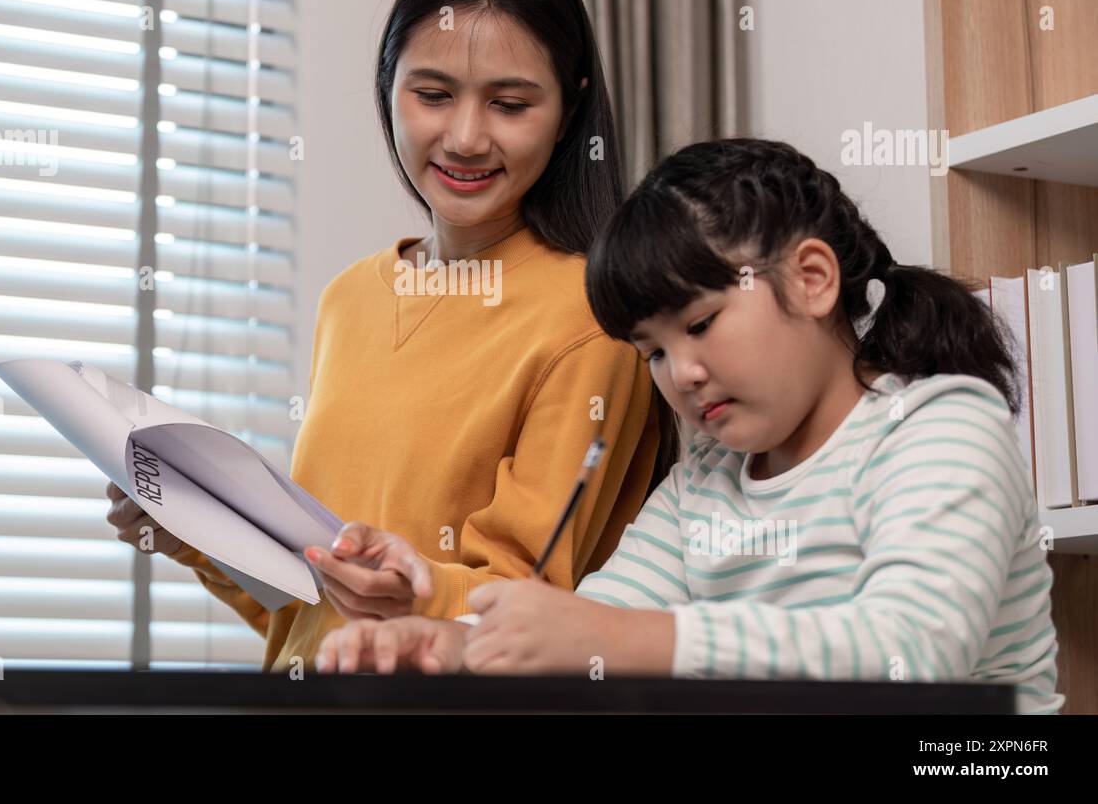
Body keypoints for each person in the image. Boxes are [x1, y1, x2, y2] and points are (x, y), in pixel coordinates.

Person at [315, 138, 1063, 715]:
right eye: (654, 354)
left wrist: (627, 642)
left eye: (701, 323)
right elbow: (597, 620)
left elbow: (910, 651)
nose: (683, 373)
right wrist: (447, 649)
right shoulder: (705, 481)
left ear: (811, 279)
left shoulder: (938, 426)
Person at [107, 0, 671, 670]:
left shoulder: (592, 318)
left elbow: (525, 602)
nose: (465, 138)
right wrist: (197, 532)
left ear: (568, 114)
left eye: (509, 104)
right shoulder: (351, 300)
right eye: (433, 95)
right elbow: (311, 609)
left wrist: (413, 588)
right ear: (386, 88)